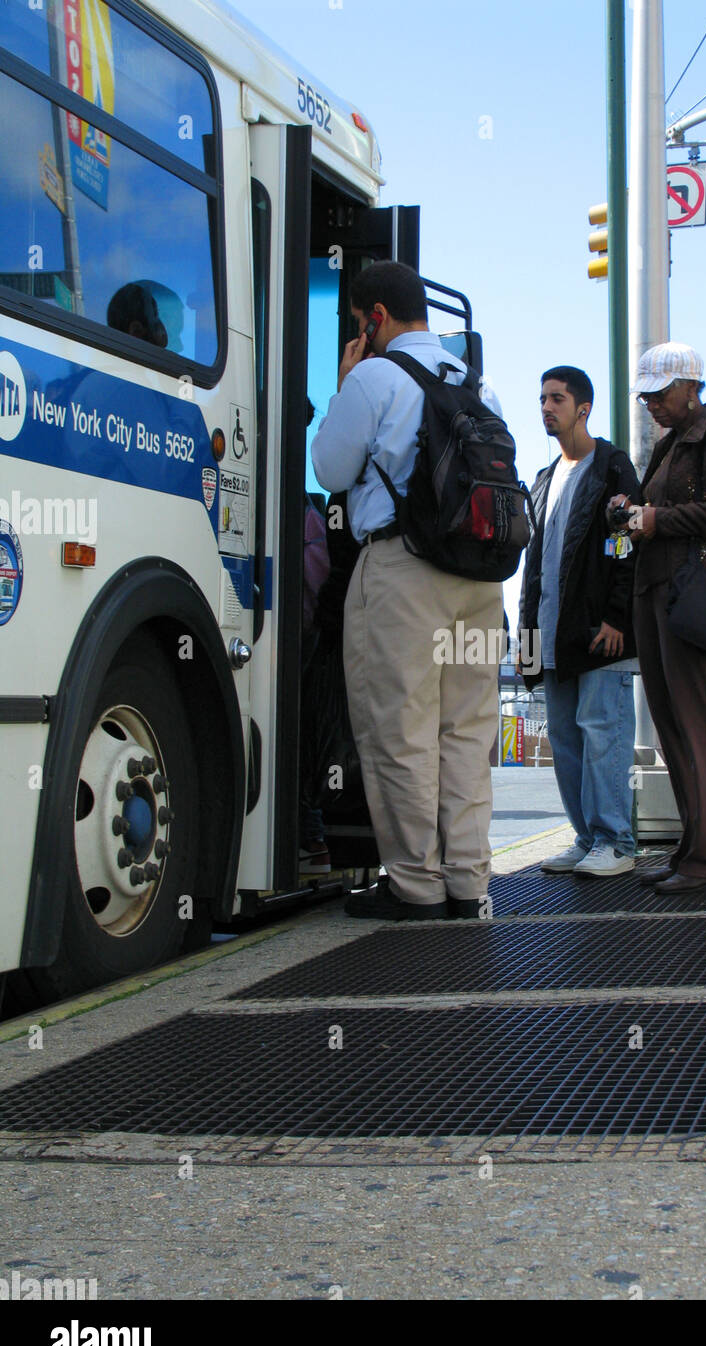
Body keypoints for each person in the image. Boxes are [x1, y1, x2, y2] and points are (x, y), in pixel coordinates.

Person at [310, 261, 503, 920]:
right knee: (466, 733)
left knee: (401, 730)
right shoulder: (477, 385)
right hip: (478, 579)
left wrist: (343, 385)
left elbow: (331, 470)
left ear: (374, 318)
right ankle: (467, 881)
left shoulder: (374, 376)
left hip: (402, 570)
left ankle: (416, 885)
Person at [610, 342, 706, 894]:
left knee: (698, 728)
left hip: (690, 596)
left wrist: (660, 518)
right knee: (673, 727)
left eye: (659, 393)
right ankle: (693, 847)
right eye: (646, 396)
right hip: (659, 592)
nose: (651, 404)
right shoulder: (673, 442)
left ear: (691, 385)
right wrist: (633, 515)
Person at [518, 367, 640, 876]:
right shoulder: (545, 479)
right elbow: (534, 566)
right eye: (542, 398)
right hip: (554, 634)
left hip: (600, 632)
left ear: (583, 408)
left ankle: (616, 841)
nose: (546, 407)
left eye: (557, 399)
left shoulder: (612, 466)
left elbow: (626, 541)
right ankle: (588, 837)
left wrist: (617, 616)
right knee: (565, 739)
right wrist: (527, 639)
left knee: (602, 731)